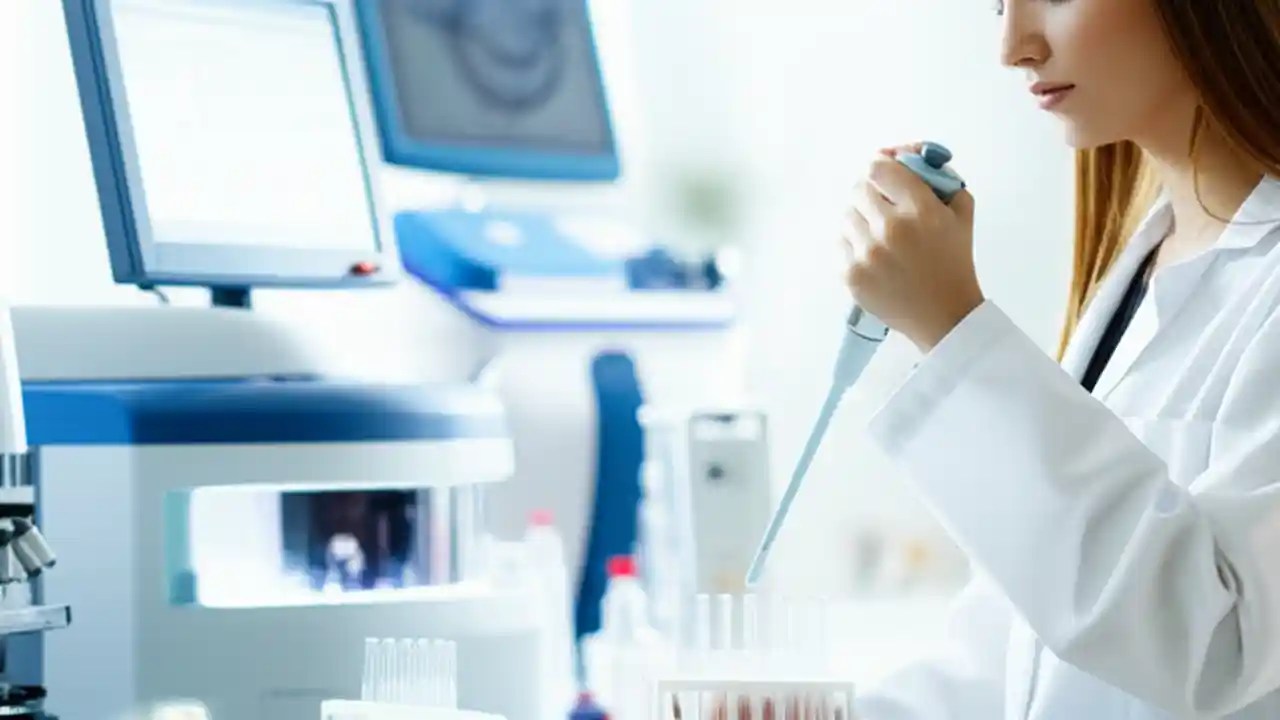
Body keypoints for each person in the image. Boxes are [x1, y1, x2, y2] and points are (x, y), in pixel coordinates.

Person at [843, 1, 1280, 719]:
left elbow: (1220, 644)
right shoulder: (1138, 274)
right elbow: (1016, 657)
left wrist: (952, 328)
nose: (1013, 45)